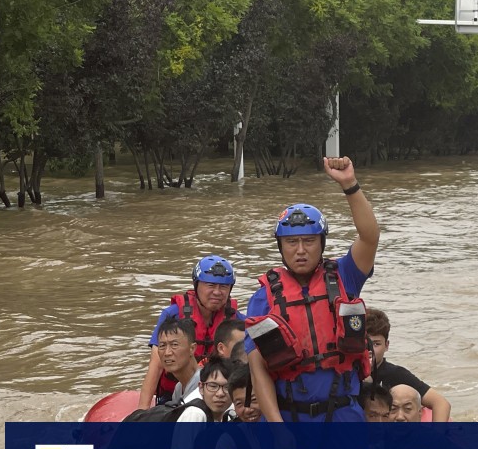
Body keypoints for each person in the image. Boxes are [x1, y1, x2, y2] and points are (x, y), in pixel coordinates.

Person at [244, 156, 380, 423]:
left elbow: (370, 237)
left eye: (309, 240)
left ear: (322, 243)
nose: (301, 250)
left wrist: (350, 185)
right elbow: (258, 368)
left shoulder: (345, 275)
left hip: (343, 414)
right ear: (281, 247)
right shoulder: (263, 297)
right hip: (288, 414)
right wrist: (277, 427)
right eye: (292, 242)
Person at [138, 256, 242, 409]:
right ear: (196, 285)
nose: (217, 292)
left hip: (219, 394)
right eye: (211, 285)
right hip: (173, 393)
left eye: (224, 287)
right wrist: (141, 412)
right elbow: (156, 365)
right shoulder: (173, 315)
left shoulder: (237, 321)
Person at [364, 308, 453, 422]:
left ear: (386, 346)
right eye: (365, 344)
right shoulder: (345, 373)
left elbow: (441, 403)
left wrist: (435, 436)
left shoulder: (396, 374)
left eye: (376, 344)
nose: (369, 350)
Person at [156, 318, 204, 405]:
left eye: (174, 345)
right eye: (162, 346)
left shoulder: (204, 384)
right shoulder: (179, 388)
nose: (167, 353)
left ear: (192, 348)